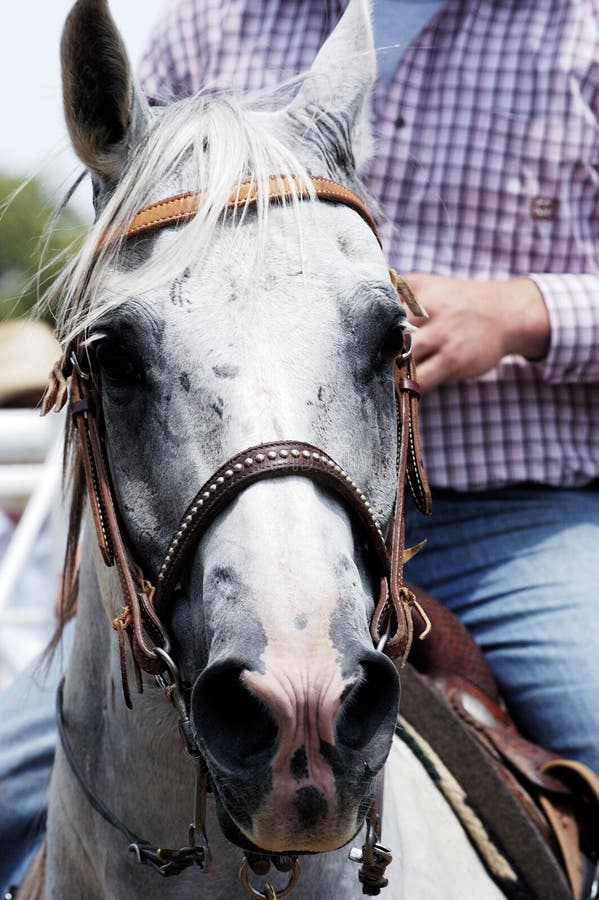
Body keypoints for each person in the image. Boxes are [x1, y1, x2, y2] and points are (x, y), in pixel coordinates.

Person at [2, 0, 598, 891]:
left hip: (515, 524)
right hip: (227, 528)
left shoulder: (582, 34)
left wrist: (526, 313)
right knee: (9, 780)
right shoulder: (211, 26)